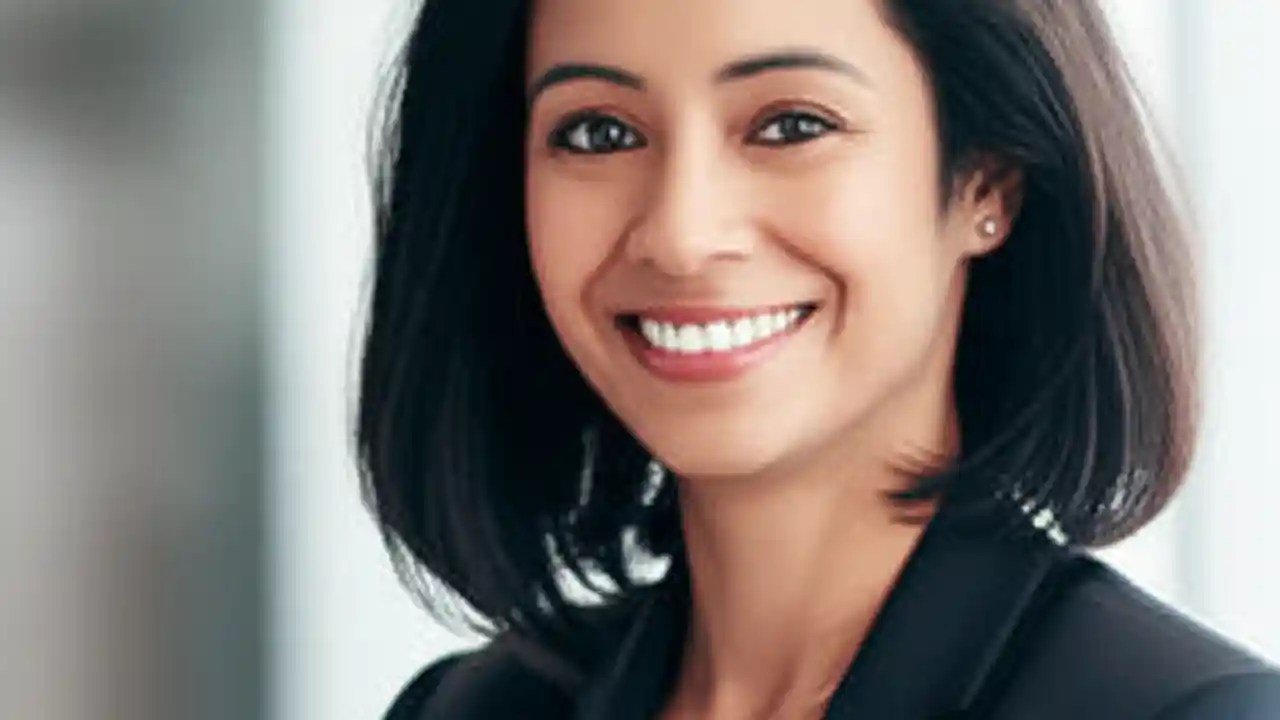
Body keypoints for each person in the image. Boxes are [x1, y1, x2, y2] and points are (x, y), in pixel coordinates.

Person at [358, 0, 1280, 717]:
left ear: (983, 183)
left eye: (791, 125)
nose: (682, 234)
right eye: (599, 132)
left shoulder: (1174, 713)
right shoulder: (470, 709)